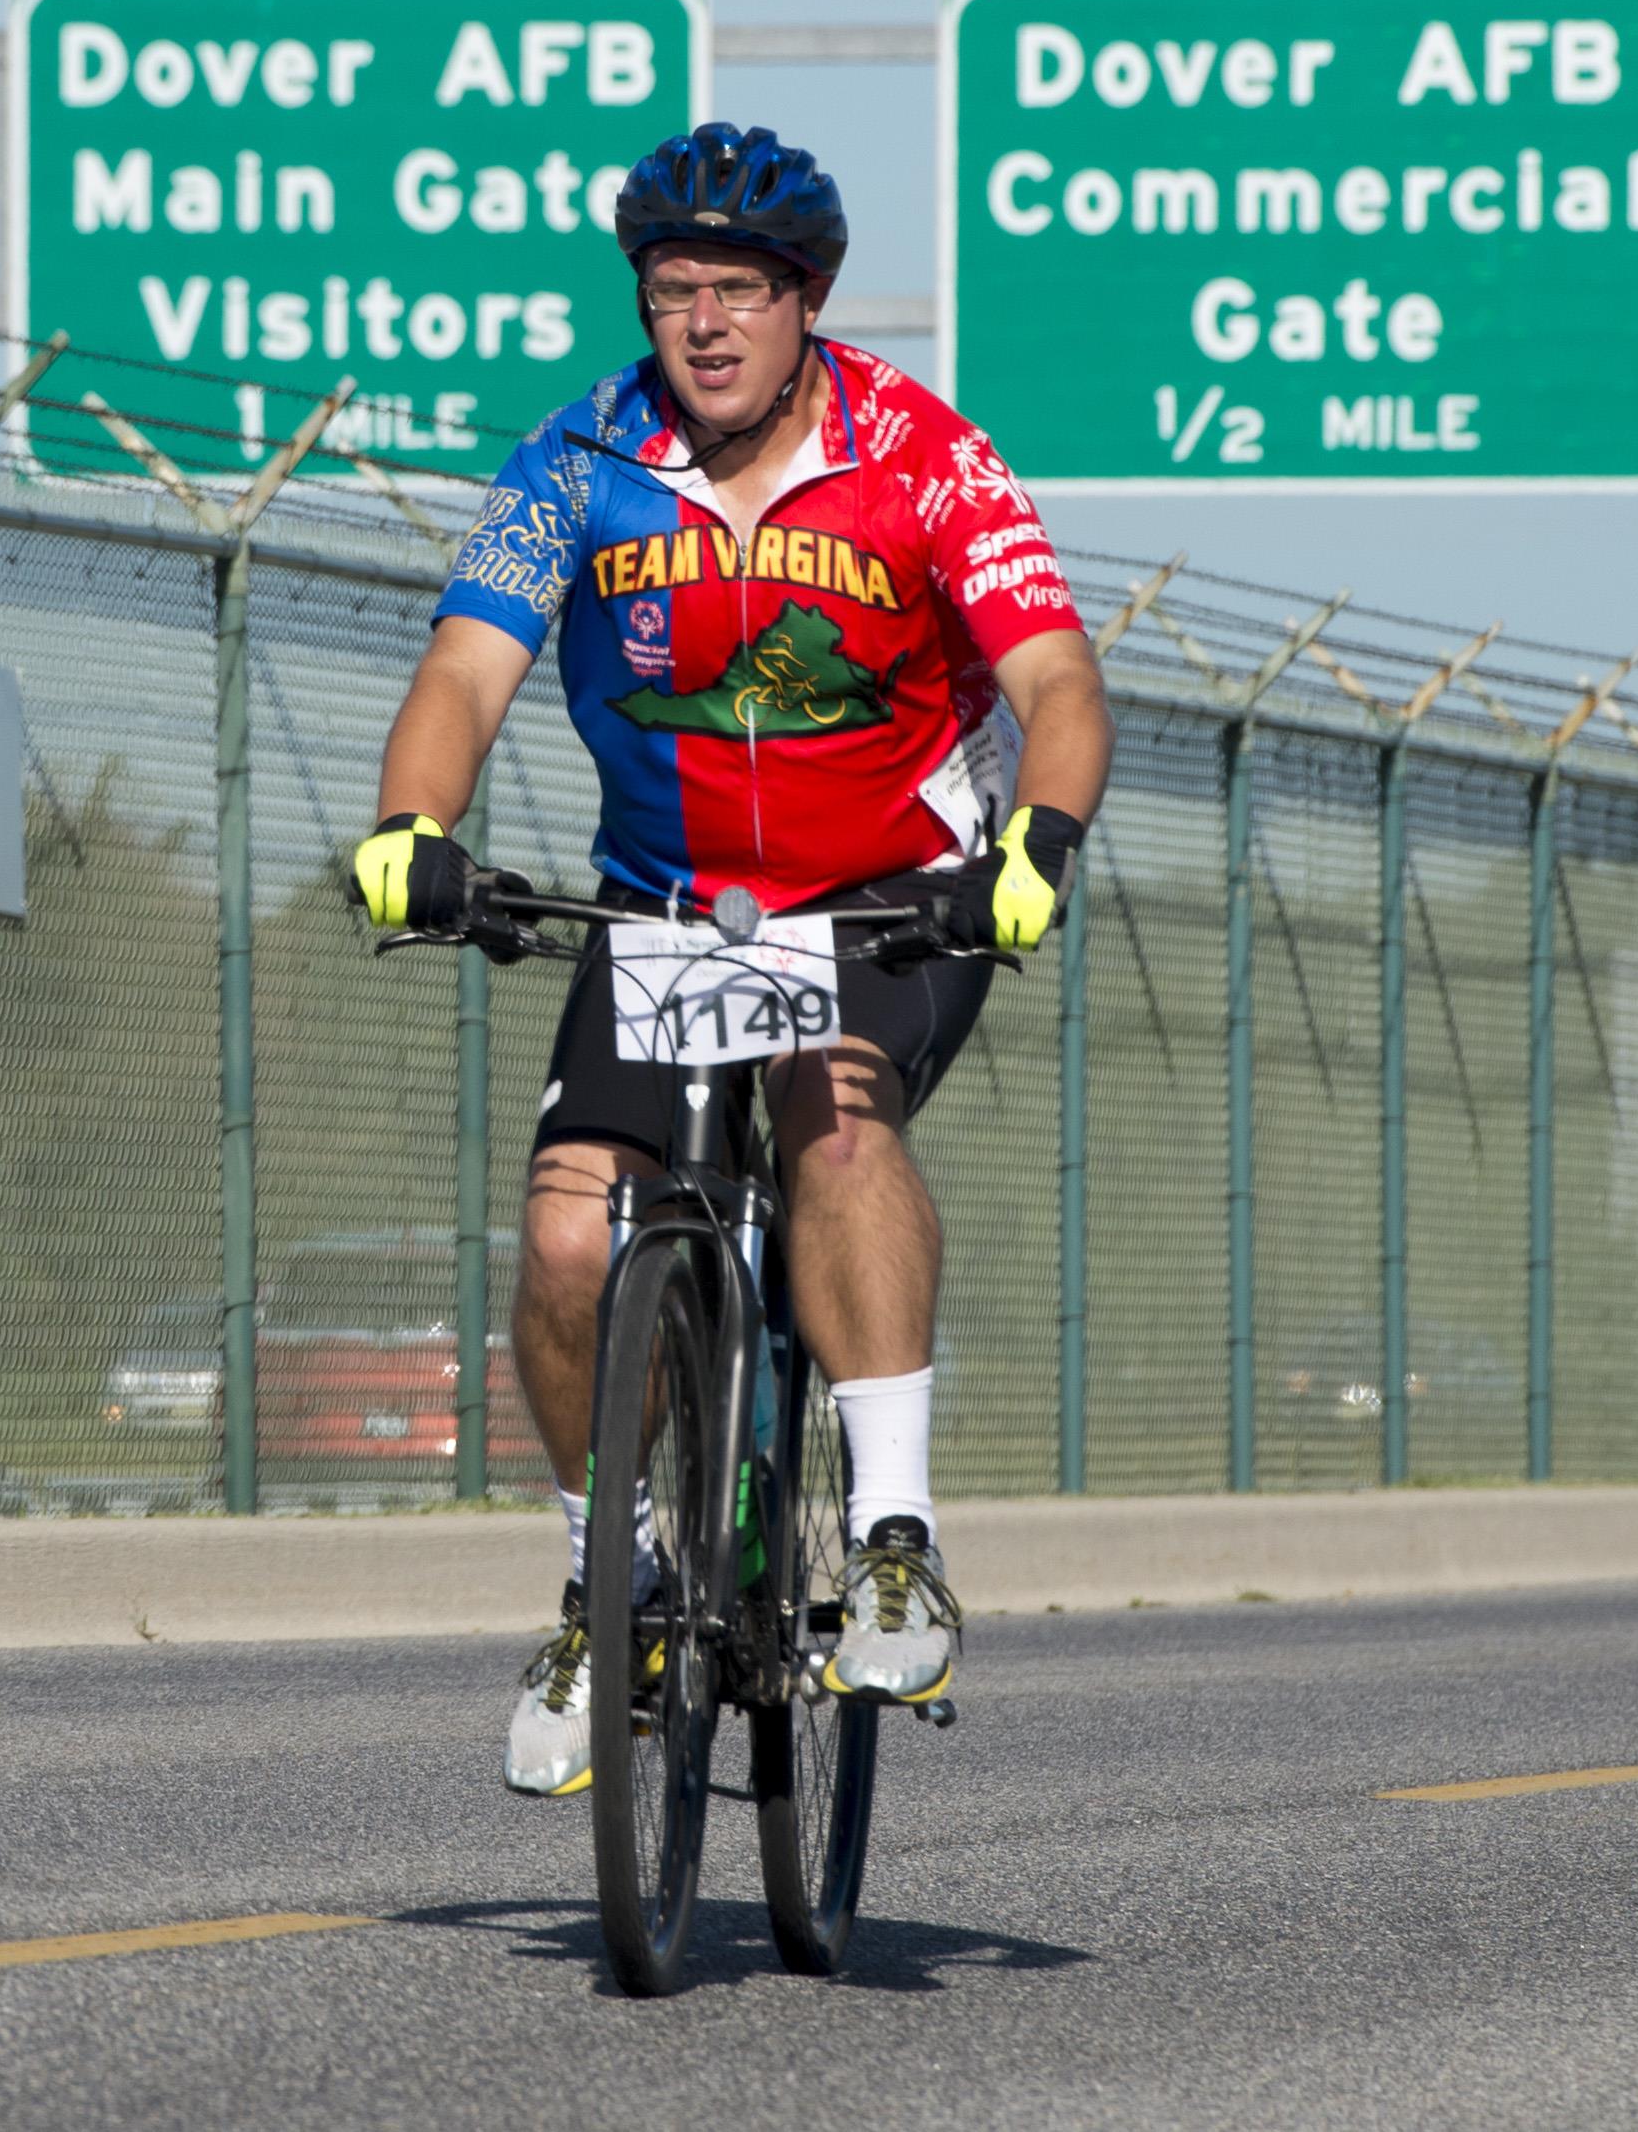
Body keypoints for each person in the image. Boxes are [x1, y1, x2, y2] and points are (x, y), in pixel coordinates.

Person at [344, 121, 1109, 1798]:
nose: (702, 323)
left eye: (739, 291)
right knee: (564, 1232)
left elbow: (1055, 684)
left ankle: (893, 1538)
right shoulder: (574, 459)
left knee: (832, 1116)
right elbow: (464, 675)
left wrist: (1031, 848)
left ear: (806, 300)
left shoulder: (925, 454)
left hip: (889, 894)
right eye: (673, 288)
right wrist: (410, 828)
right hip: (664, 906)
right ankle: (598, 1585)